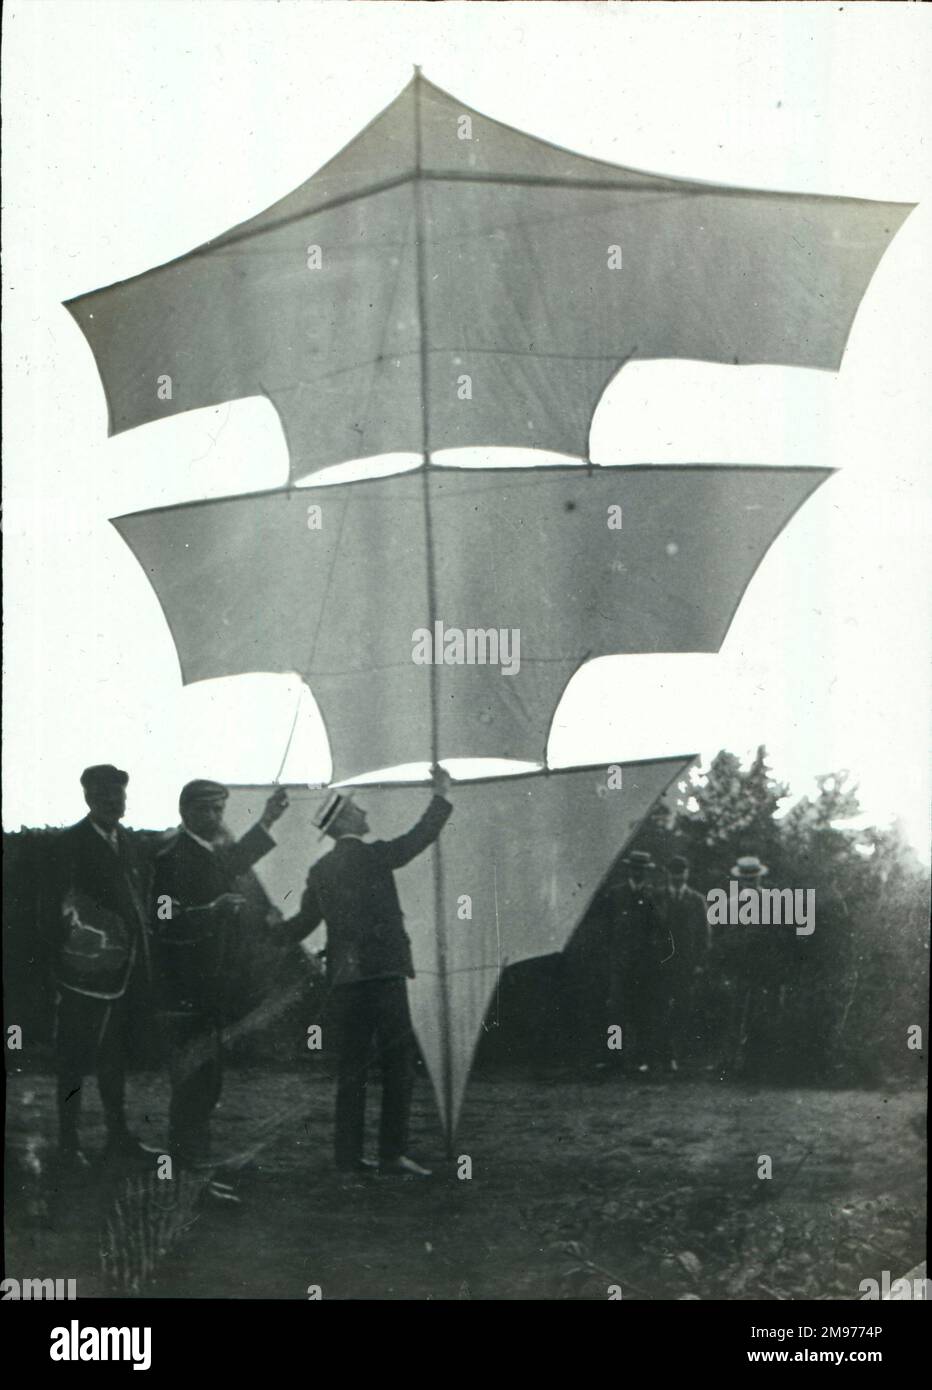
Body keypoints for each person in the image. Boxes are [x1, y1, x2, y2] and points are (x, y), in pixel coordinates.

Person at [285, 768, 453, 1178]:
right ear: (344, 820)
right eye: (355, 808)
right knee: (397, 1062)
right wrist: (441, 794)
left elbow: (302, 925)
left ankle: (348, 1159)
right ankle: (392, 1154)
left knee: (352, 1067)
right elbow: (418, 839)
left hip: (345, 979)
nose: (362, 811)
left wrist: (270, 926)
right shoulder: (373, 855)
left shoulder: (321, 869)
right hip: (384, 974)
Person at [152, 779, 290, 1203]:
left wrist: (268, 817)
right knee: (194, 1084)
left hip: (208, 989)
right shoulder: (172, 857)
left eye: (219, 810)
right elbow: (161, 916)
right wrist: (208, 911)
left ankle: (190, 1173)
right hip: (183, 992)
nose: (214, 817)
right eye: (205, 810)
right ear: (184, 811)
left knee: (205, 1085)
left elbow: (237, 858)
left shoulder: (210, 854)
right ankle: (189, 1178)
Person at [44, 765, 153, 1166]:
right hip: (81, 976)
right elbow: (52, 912)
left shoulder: (130, 842)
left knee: (114, 1058)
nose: (115, 803)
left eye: (120, 796)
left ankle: (118, 1138)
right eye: (106, 797)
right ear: (89, 799)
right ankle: (69, 1144)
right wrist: (58, 970)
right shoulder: (67, 845)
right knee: (73, 1060)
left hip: (124, 973)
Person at [606, 849, 674, 1075]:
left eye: (642, 870)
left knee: (642, 1013)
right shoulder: (616, 894)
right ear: (629, 869)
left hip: (645, 965)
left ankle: (640, 1058)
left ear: (647, 872)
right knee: (616, 1012)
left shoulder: (654, 895)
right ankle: (614, 1056)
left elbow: (662, 926)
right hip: (620, 962)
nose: (638, 873)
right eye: (635, 868)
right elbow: (606, 929)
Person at [662, 855, 712, 1071]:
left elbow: (705, 936)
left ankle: (680, 1057)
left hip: (686, 964)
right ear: (668, 874)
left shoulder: (697, 900)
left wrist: (700, 963)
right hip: (661, 964)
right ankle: (661, 1056)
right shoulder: (657, 896)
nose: (677, 876)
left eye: (681, 872)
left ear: (687, 873)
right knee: (660, 1008)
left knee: (683, 1008)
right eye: (673, 872)